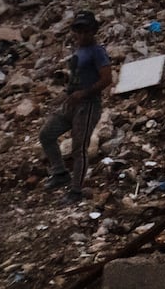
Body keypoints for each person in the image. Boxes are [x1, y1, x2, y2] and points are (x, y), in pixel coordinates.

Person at [40, 13, 113, 202]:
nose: (81, 35)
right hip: (72, 103)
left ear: (93, 31)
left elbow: (107, 79)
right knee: (46, 134)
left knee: (79, 149)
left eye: (85, 31)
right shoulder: (79, 49)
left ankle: (76, 191)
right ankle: (59, 172)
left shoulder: (97, 51)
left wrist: (84, 93)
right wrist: (66, 94)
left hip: (87, 106)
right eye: (78, 31)